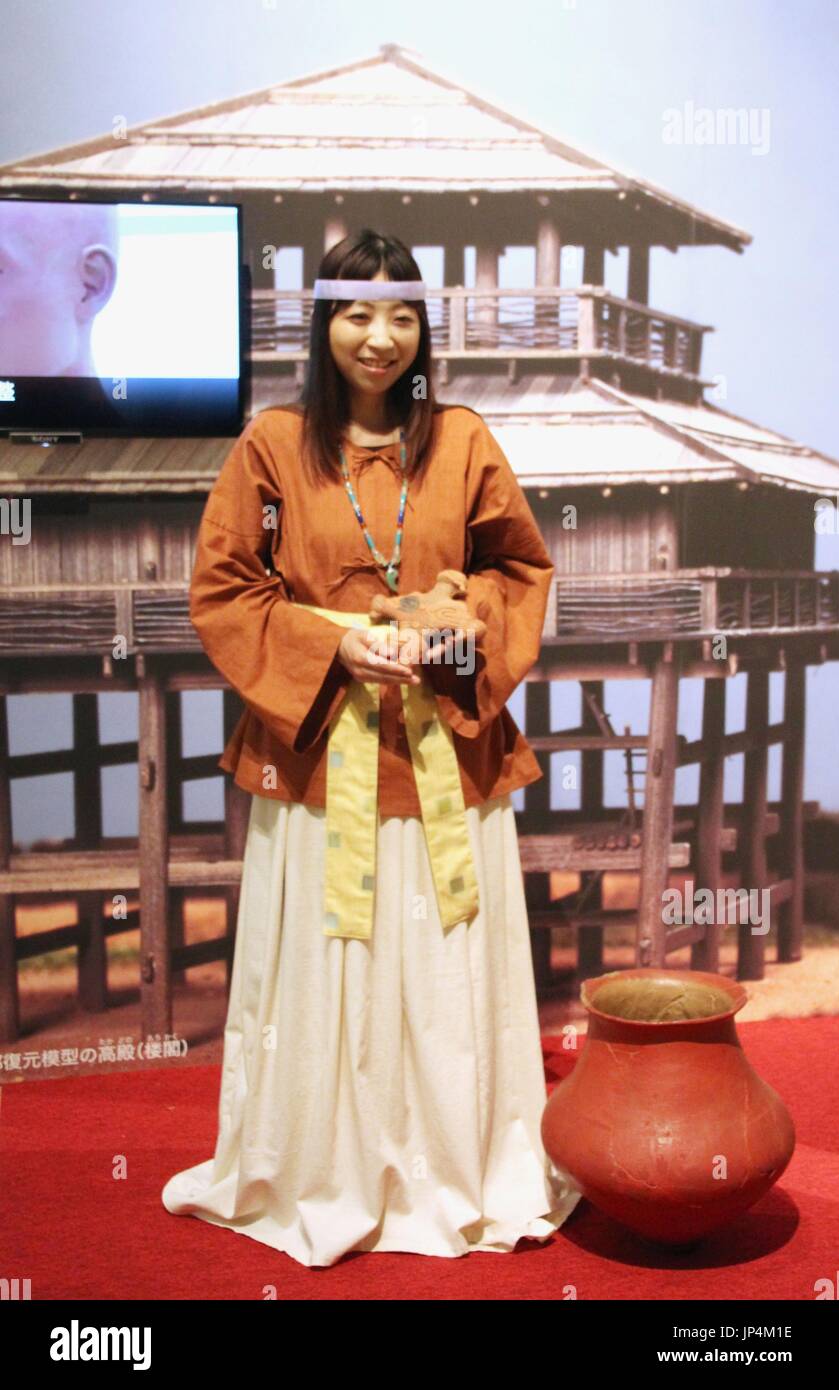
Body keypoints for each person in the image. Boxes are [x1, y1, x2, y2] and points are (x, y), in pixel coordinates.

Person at [160, 228, 583, 1266]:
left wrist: (450, 620)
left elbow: (518, 573)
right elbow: (225, 588)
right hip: (318, 768)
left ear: (421, 327)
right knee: (322, 974)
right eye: (355, 312)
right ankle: (317, 1170)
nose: (378, 337)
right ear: (321, 323)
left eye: (400, 314)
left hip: (444, 755)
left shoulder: (466, 440)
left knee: (443, 977)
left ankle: (457, 1165)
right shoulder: (268, 445)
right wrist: (334, 642)